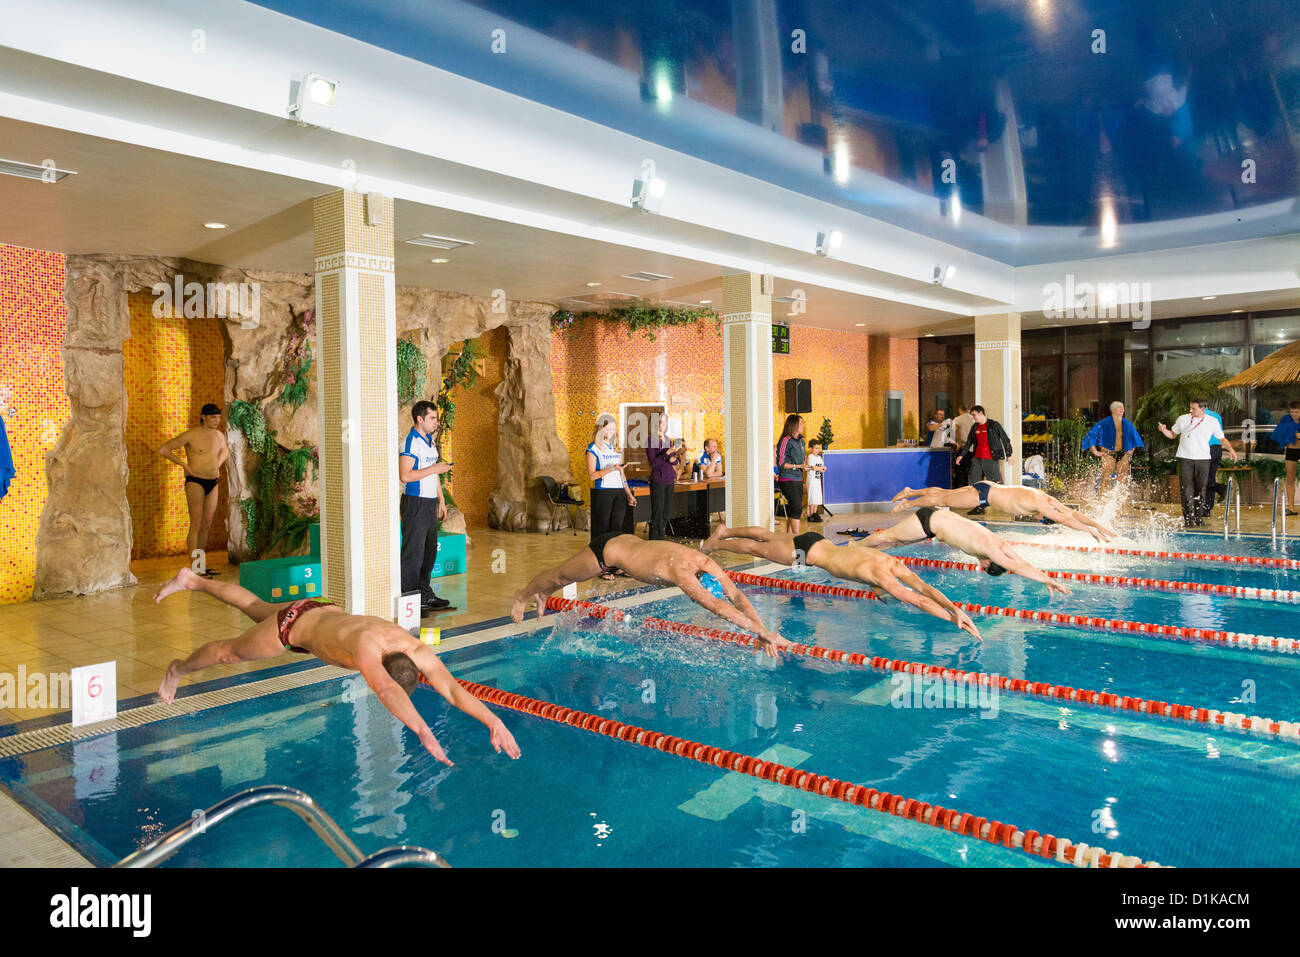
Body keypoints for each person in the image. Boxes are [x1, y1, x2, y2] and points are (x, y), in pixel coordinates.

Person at [153, 566, 520, 765]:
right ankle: (178, 669)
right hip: (293, 627)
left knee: (254, 608)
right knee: (228, 653)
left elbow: (453, 688)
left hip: (321, 607)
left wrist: (495, 720)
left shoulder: (411, 646)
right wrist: (424, 732)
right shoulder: (367, 650)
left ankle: (192, 580)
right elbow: (387, 689)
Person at [510, 532, 789, 657]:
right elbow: (717, 606)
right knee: (559, 575)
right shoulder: (683, 573)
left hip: (627, 542)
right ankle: (523, 596)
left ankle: (543, 593)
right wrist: (760, 632)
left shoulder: (705, 562)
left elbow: (735, 596)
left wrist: (762, 630)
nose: (704, 587)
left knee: (559, 579)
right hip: (608, 552)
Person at [701, 523, 981, 639]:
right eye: (884, 594)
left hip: (816, 540)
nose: (886, 595)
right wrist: (952, 618)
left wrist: (956, 608)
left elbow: (925, 588)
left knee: (769, 537)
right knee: (755, 548)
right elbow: (919, 598)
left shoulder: (890, 562)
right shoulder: (885, 577)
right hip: (806, 554)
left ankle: (726, 531)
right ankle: (715, 545)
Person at [844, 509, 1071, 597]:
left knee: (893, 544)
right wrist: (1046, 579)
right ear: (988, 564)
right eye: (985, 568)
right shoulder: (988, 549)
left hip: (935, 524)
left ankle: (859, 552)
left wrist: (1044, 578)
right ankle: (853, 548)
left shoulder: (997, 541)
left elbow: (1019, 560)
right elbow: (1015, 566)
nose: (980, 567)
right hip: (930, 521)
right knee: (888, 537)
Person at [890, 481, 1117, 542]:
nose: (1037, 520)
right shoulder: (1042, 506)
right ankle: (909, 502)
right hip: (983, 495)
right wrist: (1090, 533)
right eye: (1041, 521)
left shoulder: (1045, 498)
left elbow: (1071, 513)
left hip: (987, 489)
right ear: (1044, 516)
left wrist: (1097, 525)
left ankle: (911, 491)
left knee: (944, 494)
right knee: (942, 499)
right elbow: (1065, 520)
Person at [398, 401, 454, 615]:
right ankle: (410, 600)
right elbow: (405, 475)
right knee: (414, 553)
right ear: (419, 419)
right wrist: (433, 468)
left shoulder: (429, 441)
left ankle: (424, 594)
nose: (436, 422)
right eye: (432, 418)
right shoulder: (410, 443)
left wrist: (441, 500)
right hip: (416, 502)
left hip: (429, 503)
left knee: (429, 552)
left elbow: (434, 474)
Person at [158, 403, 229, 571]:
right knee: (196, 523)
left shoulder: (219, 435)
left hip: (213, 482)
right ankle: (195, 567)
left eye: (218, 417)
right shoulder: (192, 434)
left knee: (207, 523)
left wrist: (217, 465)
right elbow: (164, 449)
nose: (217, 420)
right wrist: (183, 464)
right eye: (213, 417)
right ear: (203, 416)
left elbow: (225, 450)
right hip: (195, 481)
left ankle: (201, 565)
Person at [1158, 398, 1240, 528]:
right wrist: (1164, 431)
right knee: (1187, 489)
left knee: (1201, 489)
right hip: (1185, 458)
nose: (1190, 411)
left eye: (1193, 409)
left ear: (1202, 409)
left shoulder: (1212, 421)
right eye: (1190, 408)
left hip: (1203, 459)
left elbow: (1222, 439)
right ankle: (1188, 519)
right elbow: (1173, 434)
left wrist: (1231, 450)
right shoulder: (1182, 419)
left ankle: (1198, 516)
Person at [586, 414, 636, 580]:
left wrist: (629, 494)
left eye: (613, 429)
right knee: (603, 532)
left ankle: (616, 565)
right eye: (607, 429)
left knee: (617, 531)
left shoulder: (616, 448)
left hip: (619, 492)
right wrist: (611, 469)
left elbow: (621, 473)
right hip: (603, 492)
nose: (611, 432)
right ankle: (602, 568)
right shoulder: (593, 448)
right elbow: (592, 476)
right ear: (600, 429)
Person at [954, 405, 1014, 504]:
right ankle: (978, 503)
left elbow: (1005, 439)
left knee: (995, 481)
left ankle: (1002, 502)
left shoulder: (994, 425)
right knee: (974, 481)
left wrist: (1009, 454)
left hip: (990, 457)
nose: (973, 417)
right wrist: (962, 455)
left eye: (974, 415)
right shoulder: (975, 427)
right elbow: (969, 442)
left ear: (981, 413)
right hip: (977, 458)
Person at [1082, 401, 1144, 494]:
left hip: (1123, 454)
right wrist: (1095, 451)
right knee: (1105, 480)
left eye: (1123, 407)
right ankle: (1102, 504)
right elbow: (1091, 436)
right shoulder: (1104, 423)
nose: (1122, 409)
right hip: (1108, 454)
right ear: (1113, 410)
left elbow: (1135, 437)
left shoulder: (1126, 423)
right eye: (1120, 407)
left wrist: (1131, 450)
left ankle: (1124, 506)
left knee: (1124, 482)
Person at [645, 411, 684, 540]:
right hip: (658, 481)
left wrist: (675, 460)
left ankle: (661, 540)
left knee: (666, 514)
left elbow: (674, 458)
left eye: (664, 422)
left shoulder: (668, 439)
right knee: (657, 514)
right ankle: (654, 543)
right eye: (660, 422)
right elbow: (654, 463)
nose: (662, 425)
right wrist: (667, 453)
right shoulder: (650, 440)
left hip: (669, 480)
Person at [775, 414, 809, 534]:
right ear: (793, 425)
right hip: (787, 479)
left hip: (798, 479)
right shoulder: (786, 440)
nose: (803, 425)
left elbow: (802, 461)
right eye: (800, 423)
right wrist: (798, 466)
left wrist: (809, 467)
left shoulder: (801, 441)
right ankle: (797, 538)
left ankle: (788, 538)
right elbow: (781, 463)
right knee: (797, 508)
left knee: (794, 510)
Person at [1270, 400, 1300, 516]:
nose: (1294, 414)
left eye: (1297, 412)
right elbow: (1277, 434)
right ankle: (1291, 507)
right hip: (1291, 451)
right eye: (1292, 412)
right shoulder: (1286, 420)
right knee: (1290, 479)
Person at [951, 404, 975, 487]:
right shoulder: (973, 418)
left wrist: (959, 442)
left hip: (965, 449)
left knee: (961, 473)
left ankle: (960, 492)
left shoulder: (958, 419)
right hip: (974, 449)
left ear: (959, 409)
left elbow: (955, 430)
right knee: (971, 473)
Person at [804, 439, 827, 523]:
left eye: (818, 448)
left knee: (817, 498)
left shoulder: (819, 457)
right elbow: (813, 467)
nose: (817, 450)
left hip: (817, 481)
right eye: (816, 448)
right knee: (812, 498)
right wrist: (821, 468)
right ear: (811, 448)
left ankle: (814, 513)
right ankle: (810, 514)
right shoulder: (810, 456)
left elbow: (822, 467)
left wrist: (823, 468)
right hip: (812, 481)